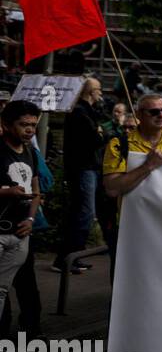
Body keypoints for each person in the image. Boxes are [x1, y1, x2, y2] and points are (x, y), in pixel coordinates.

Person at [102, 94, 162, 352]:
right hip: (130, 230)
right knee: (125, 293)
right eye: (153, 111)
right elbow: (113, 188)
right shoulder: (120, 144)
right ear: (139, 114)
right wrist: (148, 166)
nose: (161, 115)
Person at [54, 77, 106, 275]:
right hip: (83, 168)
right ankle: (68, 258)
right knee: (83, 213)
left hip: (87, 168)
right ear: (90, 91)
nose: (101, 93)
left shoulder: (86, 112)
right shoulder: (79, 113)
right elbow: (94, 139)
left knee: (81, 212)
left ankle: (72, 256)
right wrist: (99, 133)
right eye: (98, 89)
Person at [0, 101, 42, 344]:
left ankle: (31, 334)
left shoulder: (30, 152)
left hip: (22, 230)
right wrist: (7, 192)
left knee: (27, 286)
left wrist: (30, 218)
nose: (29, 130)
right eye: (23, 124)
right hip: (1, 228)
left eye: (33, 125)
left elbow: (35, 190)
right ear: (6, 124)